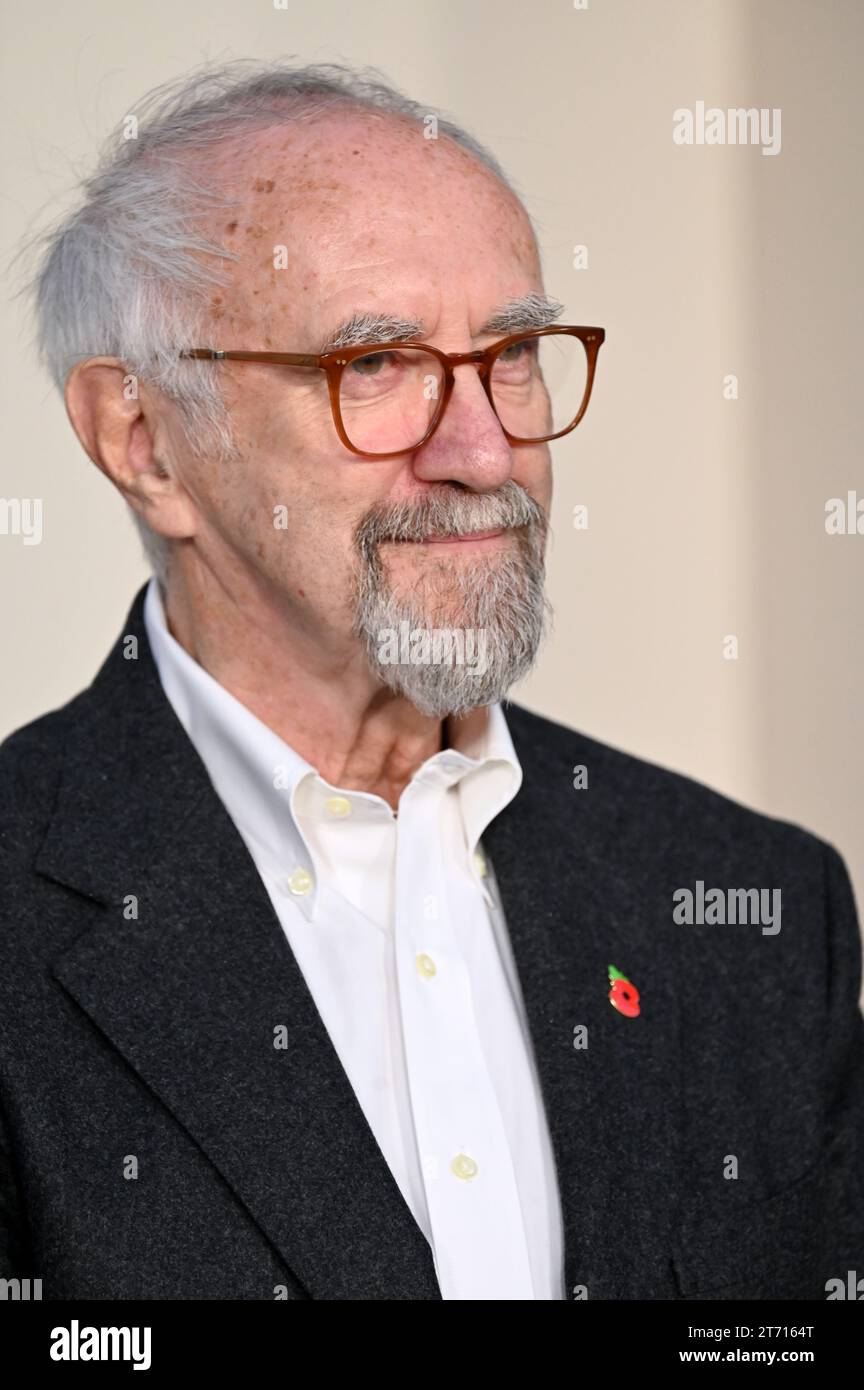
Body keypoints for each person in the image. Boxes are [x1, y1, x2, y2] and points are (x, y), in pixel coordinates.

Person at [1, 60, 861, 1301]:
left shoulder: (759, 910)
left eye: (512, 353)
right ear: (145, 444)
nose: (484, 451)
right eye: (378, 367)